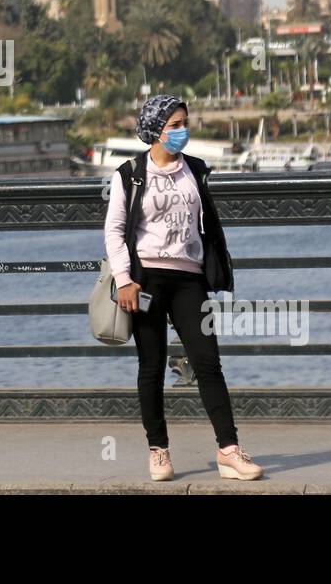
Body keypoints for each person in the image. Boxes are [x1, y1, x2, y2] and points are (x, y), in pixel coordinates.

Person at [103, 93, 263, 482]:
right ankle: (158, 451)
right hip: (147, 279)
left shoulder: (195, 168)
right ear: (155, 130)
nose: (182, 132)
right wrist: (124, 280)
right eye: (174, 126)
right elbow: (114, 231)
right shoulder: (130, 174)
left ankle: (229, 451)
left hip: (190, 279)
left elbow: (207, 223)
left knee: (208, 363)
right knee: (152, 366)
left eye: (184, 124)